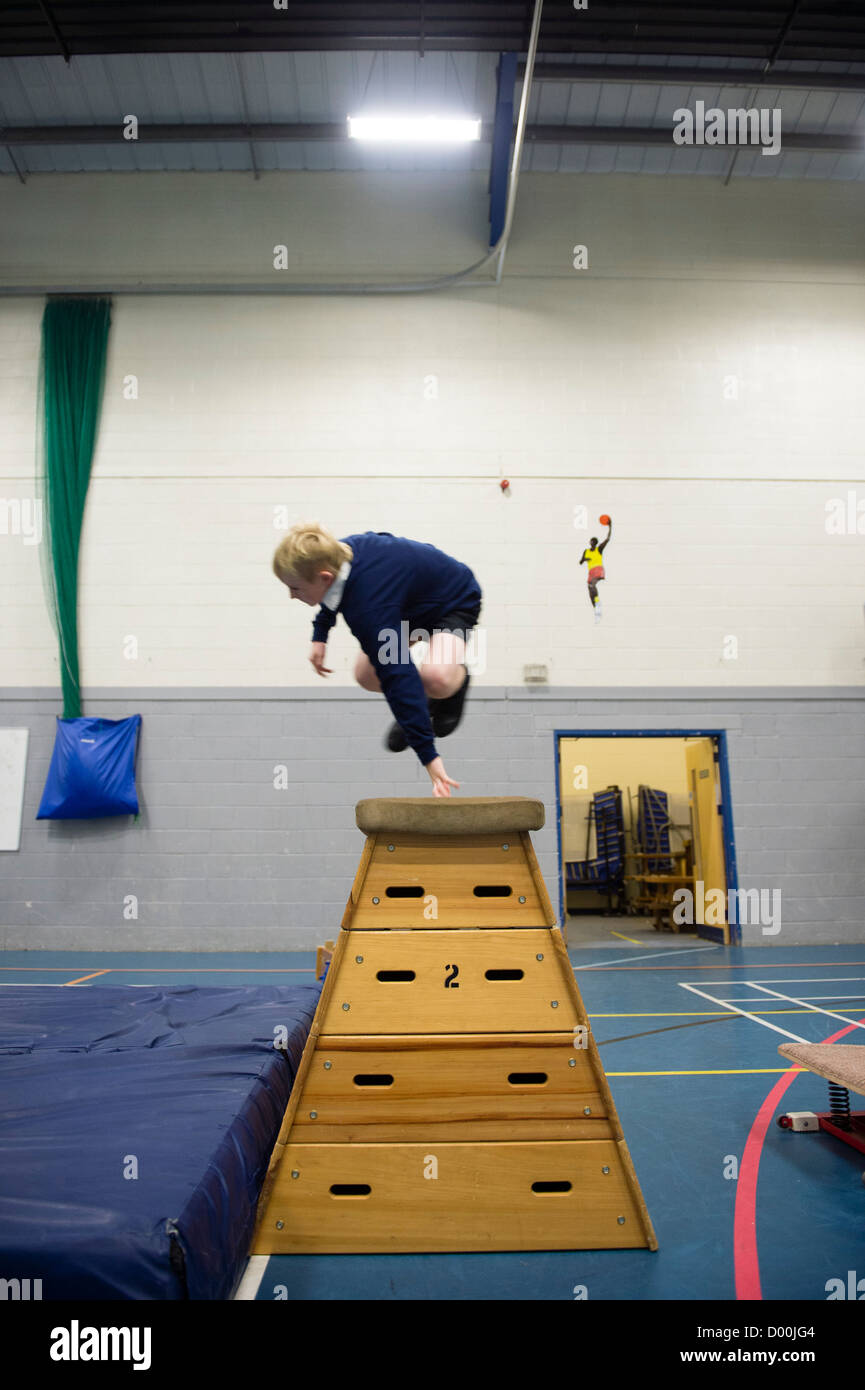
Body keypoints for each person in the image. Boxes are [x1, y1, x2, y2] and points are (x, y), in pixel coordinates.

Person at [272, 524, 481, 798]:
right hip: (404, 603)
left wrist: (429, 756)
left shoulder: (369, 608)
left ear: (323, 577)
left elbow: (398, 675)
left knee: (436, 679)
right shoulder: (336, 553)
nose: (291, 595)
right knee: (365, 675)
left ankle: (456, 681)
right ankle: (419, 706)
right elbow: (333, 594)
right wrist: (320, 634)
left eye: (295, 588)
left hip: (452, 600)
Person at [580, 518, 612, 622]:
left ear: (595, 543)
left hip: (598, 570)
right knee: (590, 592)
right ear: (590, 543)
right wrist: (584, 559)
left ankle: (597, 604)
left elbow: (607, 539)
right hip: (590, 572)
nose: (592, 543)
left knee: (592, 585)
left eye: (594, 542)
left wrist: (610, 526)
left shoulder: (599, 549)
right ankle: (597, 608)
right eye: (591, 541)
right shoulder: (586, 551)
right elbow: (580, 562)